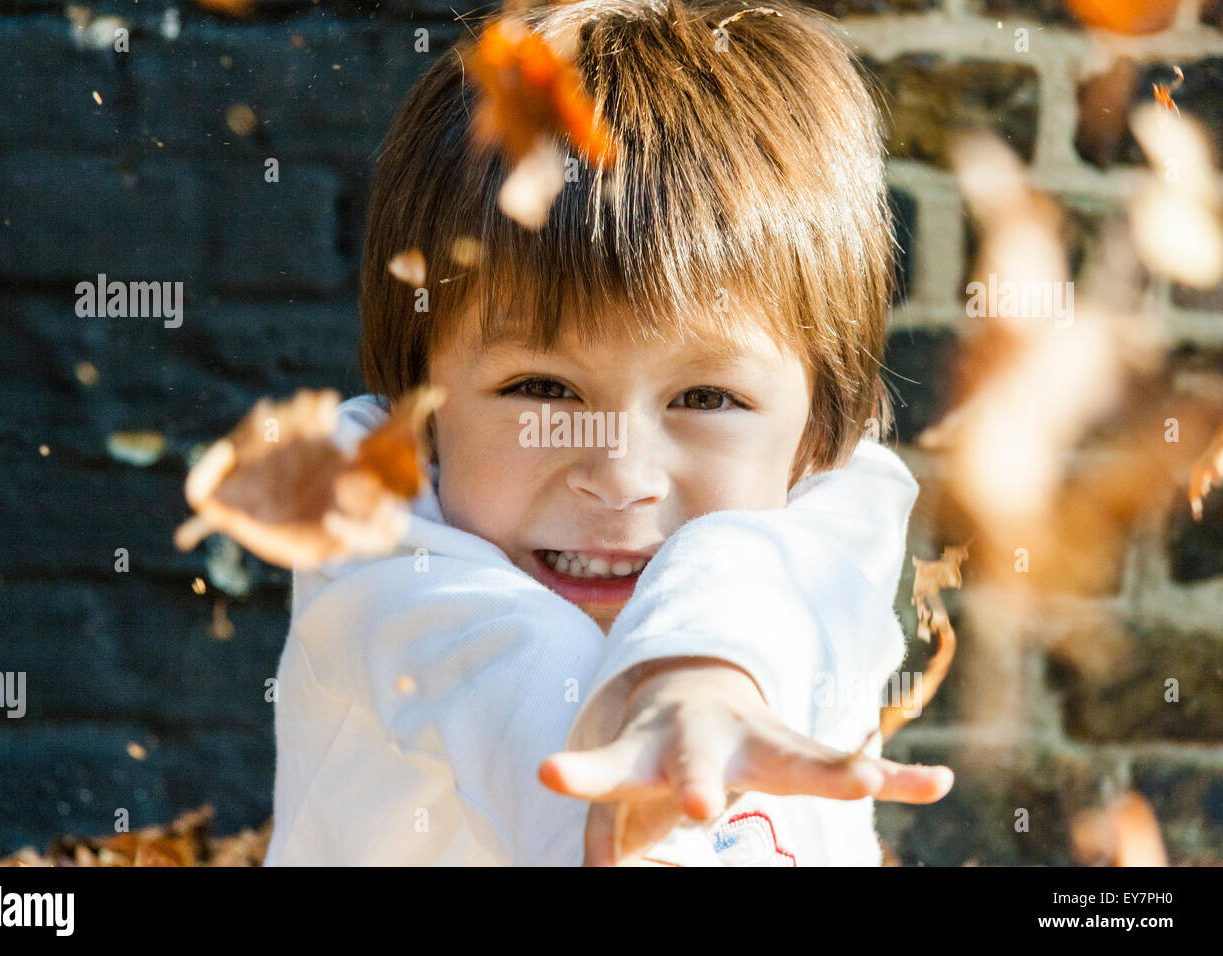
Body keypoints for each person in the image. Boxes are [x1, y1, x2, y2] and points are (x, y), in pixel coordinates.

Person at [265, 0, 953, 867]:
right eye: (542, 389)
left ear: (821, 426)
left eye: (706, 398)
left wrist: (703, 672)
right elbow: (492, 662)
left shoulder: (841, 502)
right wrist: (654, 739)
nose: (622, 474)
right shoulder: (366, 524)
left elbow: (763, 582)